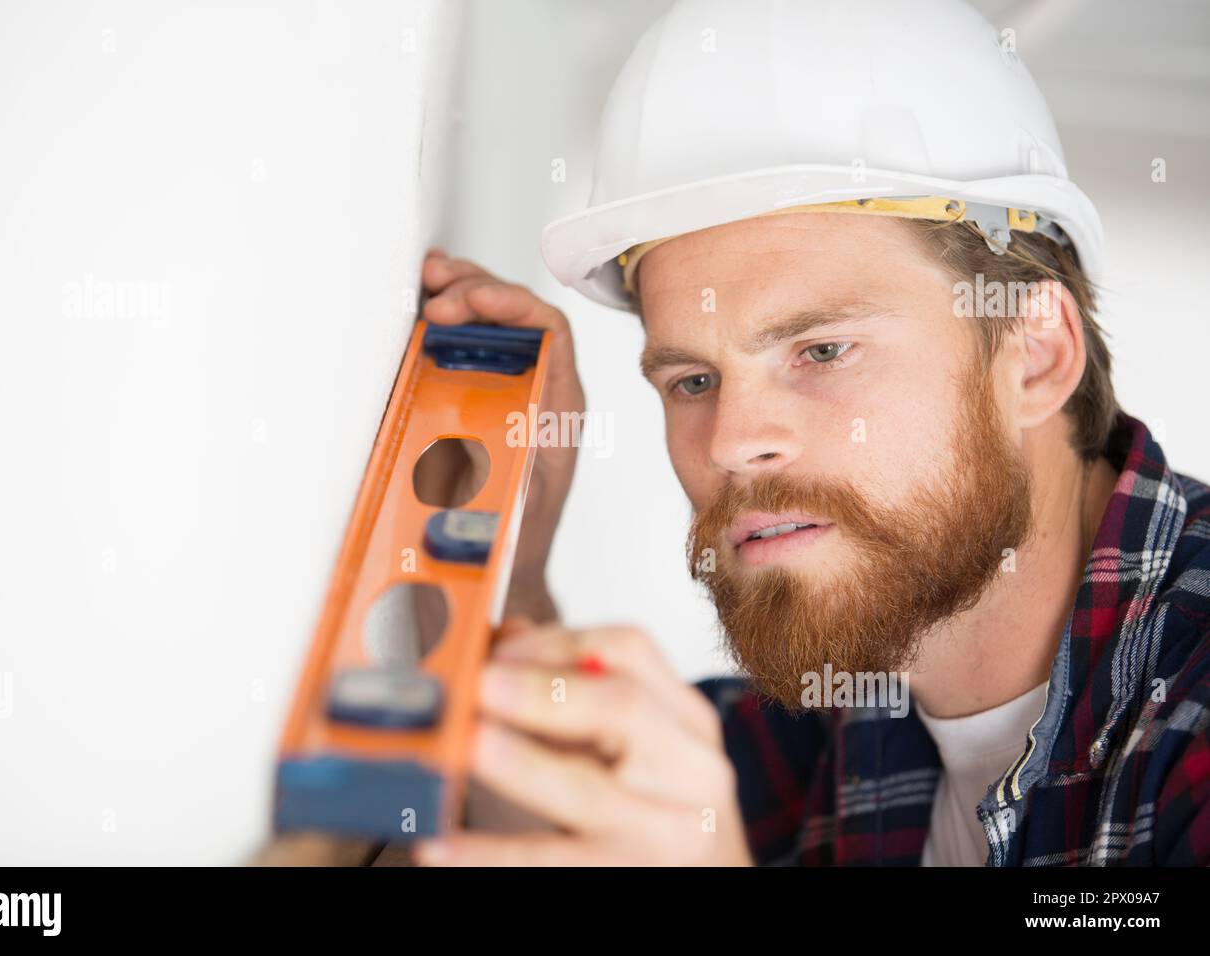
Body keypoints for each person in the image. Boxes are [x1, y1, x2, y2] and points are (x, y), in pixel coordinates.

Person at [402, 0, 1210, 866]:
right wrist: (506, 568)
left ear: (1037, 354)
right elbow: (573, 814)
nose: (730, 443)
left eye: (822, 350)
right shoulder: (844, 702)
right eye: (694, 380)